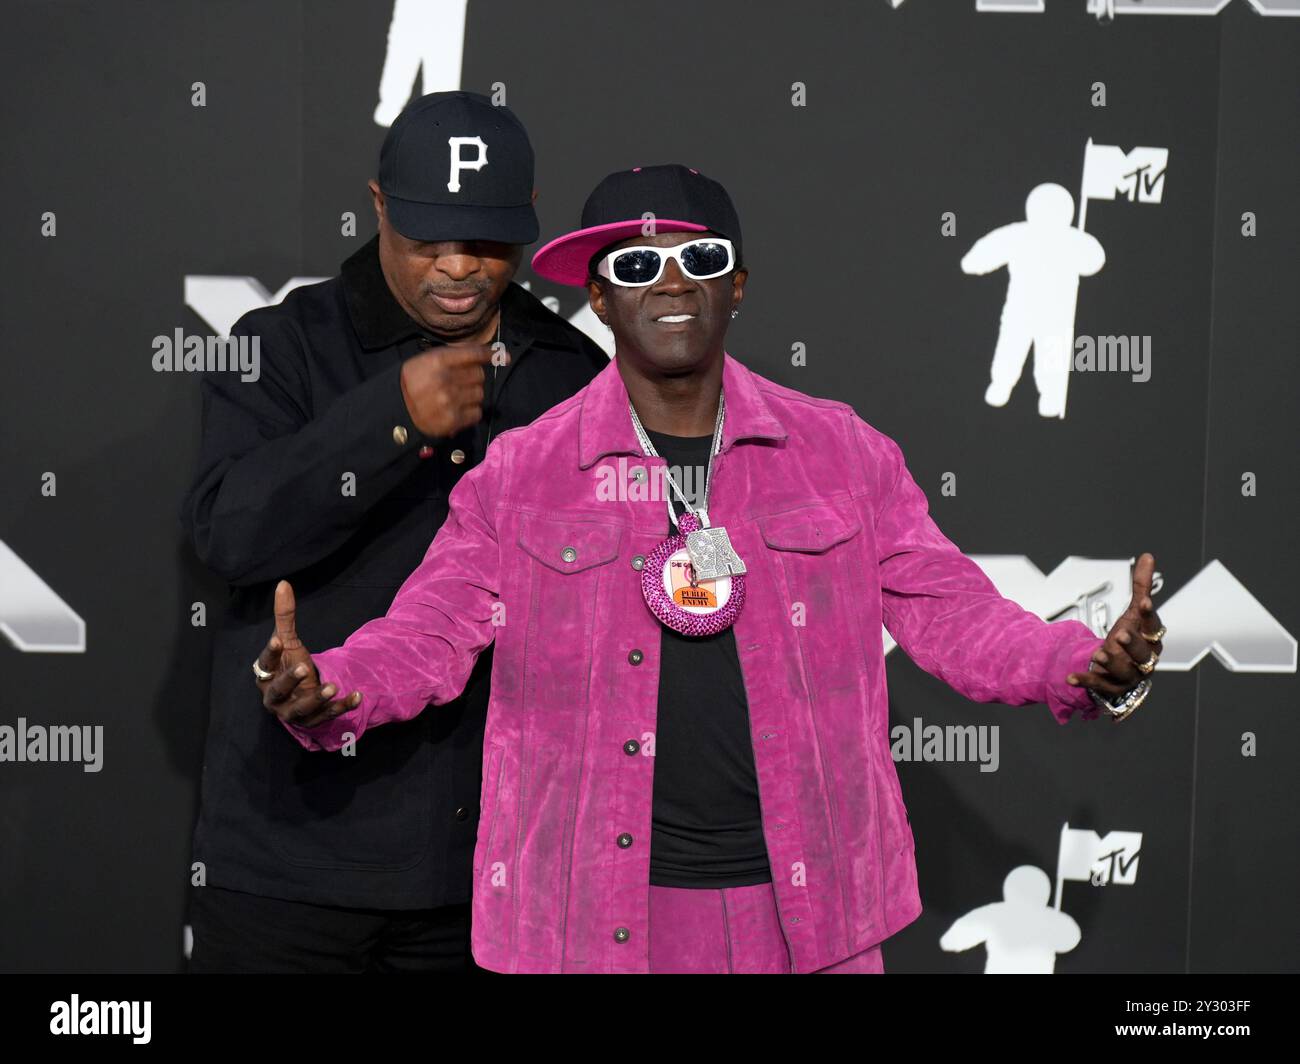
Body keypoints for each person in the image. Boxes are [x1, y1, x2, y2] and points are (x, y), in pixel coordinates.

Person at [250, 164, 1164, 974]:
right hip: (587, 924)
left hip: (811, 917)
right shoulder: (525, 473)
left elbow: (953, 611)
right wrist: (335, 687)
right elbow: (430, 632)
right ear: (600, 301)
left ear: (739, 284)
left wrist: (1073, 662)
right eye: (637, 266)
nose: (671, 283)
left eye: (701, 259)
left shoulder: (842, 452)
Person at [182, 92, 608, 972]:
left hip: (493, 873)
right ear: (378, 205)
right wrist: (392, 419)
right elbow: (227, 534)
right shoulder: (280, 347)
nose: (458, 267)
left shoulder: (574, 379)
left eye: (486, 242)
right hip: (287, 858)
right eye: (427, 239)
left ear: (527, 225)